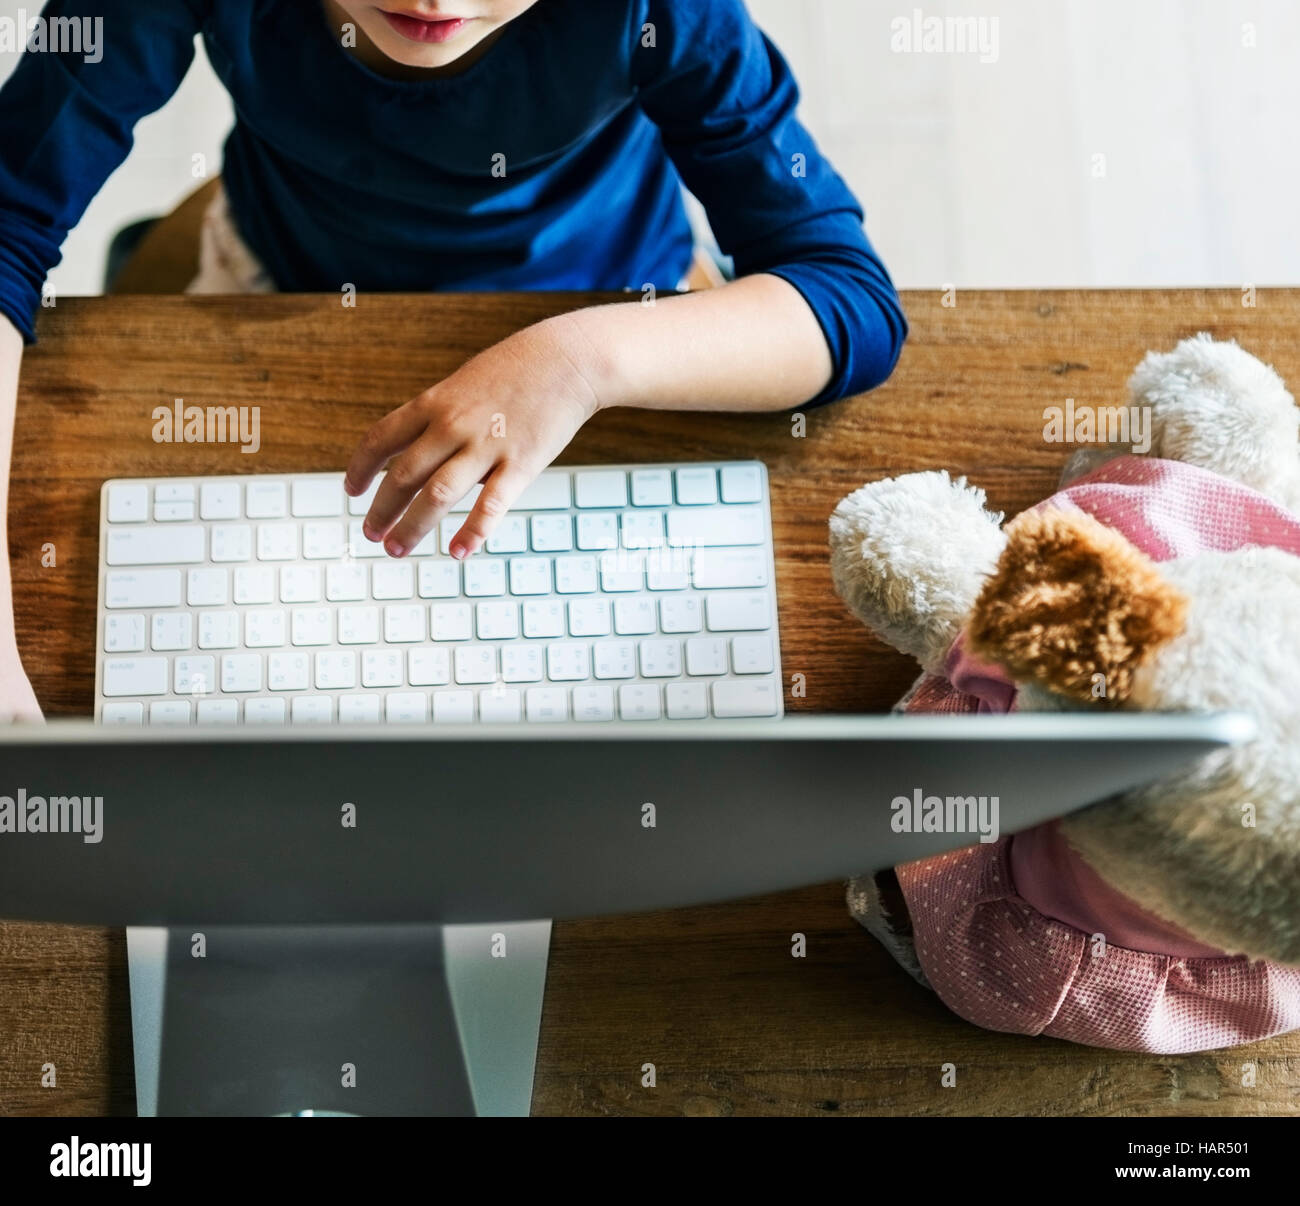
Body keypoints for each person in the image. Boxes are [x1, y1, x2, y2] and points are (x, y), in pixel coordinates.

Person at [0, 0, 907, 719]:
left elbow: (850, 299)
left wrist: (580, 362)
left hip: (614, 305)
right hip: (283, 282)